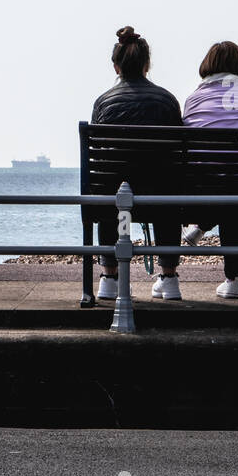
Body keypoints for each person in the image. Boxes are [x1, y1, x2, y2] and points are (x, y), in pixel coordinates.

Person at [90, 26, 184, 300]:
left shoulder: (103, 102)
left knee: (111, 191)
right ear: (147, 64)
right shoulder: (167, 100)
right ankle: (168, 278)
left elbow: (99, 154)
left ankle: (109, 278)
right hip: (160, 196)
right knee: (166, 190)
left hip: (116, 196)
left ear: (116, 66)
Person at [180, 41, 238, 298]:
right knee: (236, 181)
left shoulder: (194, 98)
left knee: (223, 178)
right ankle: (233, 279)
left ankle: (202, 226)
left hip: (203, 188)